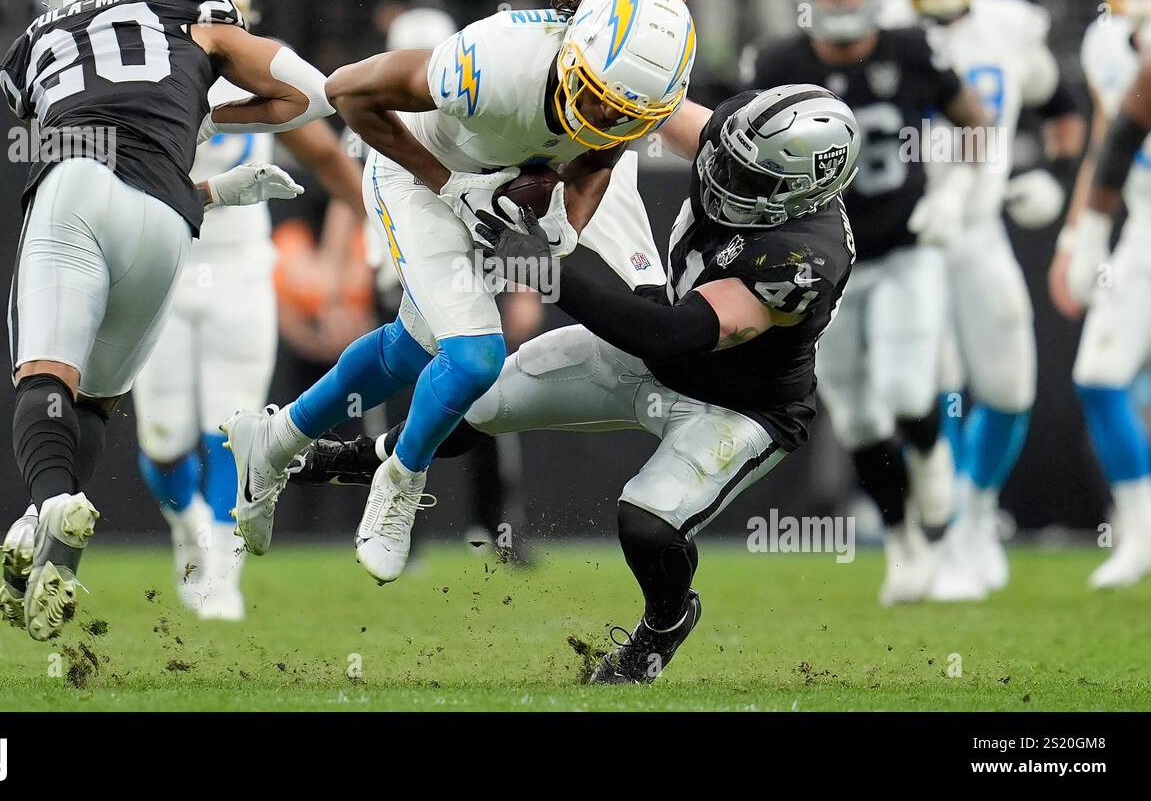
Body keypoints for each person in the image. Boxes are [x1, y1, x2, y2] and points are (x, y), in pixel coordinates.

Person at [295, 85, 859, 683]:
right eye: (724, 157)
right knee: (476, 400)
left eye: (746, 176)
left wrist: (540, 268)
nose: (719, 174)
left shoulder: (804, 260)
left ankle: (665, 623)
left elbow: (667, 334)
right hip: (651, 355)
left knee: (648, 522)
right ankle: (364, 458)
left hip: (734, 406)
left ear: (798, 195)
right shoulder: (736, 143)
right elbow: (653, 105)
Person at [222, 0, 713, 584]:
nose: (606, 115)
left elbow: (603, 152)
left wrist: (563, 222)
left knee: (415, 346)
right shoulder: (488, 66)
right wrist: (450, 184)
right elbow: (351, 94)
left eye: (627, 111)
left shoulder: (627, 99)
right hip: (422, 170)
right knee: (477, 358)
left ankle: (272, 442)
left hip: (511, 171)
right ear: (576, 55)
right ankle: (397, 483)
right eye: (601, 97)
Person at [0, 0, 331, 641]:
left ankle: (45, 507)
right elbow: (313, 94)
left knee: (49, 378)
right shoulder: (191, 7)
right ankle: (58, 516)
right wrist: (207, 120)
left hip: (83, 191)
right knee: (125, 414)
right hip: (166, 220)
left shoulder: (29, 43)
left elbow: (70, 109)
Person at [748, 0, 990, 605]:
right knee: (853, 415)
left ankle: (936, 463)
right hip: (825, 267)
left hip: (905, 247)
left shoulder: (913, 49)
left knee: (911, 391)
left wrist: (959, 192)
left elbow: (974, 121)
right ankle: (903, 542)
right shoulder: (777, 64)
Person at [130, 0, 365, 621]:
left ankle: (221, 564)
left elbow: (326, 148)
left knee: (233, 431)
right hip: (164, 268)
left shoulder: (257, 71)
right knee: (164, 440)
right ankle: (190, 532)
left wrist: (364, 233)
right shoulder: (137, 77)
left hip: (238, 269)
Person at [883, 0, 1086, 601]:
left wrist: (1052, 179)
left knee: (1009, 386)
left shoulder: (1009, 26)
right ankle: (926, 533)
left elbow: (1061, 106)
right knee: (924, 388)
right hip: (904, 241)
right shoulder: (881, 33)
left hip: (979, 229)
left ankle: (972, 514)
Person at [1054, 0, 1151, 588]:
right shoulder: (1102, 44)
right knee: (1098, 374)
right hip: (1144, 223)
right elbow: (1107, 142)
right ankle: (1142, 533)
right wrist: (1079, 237)